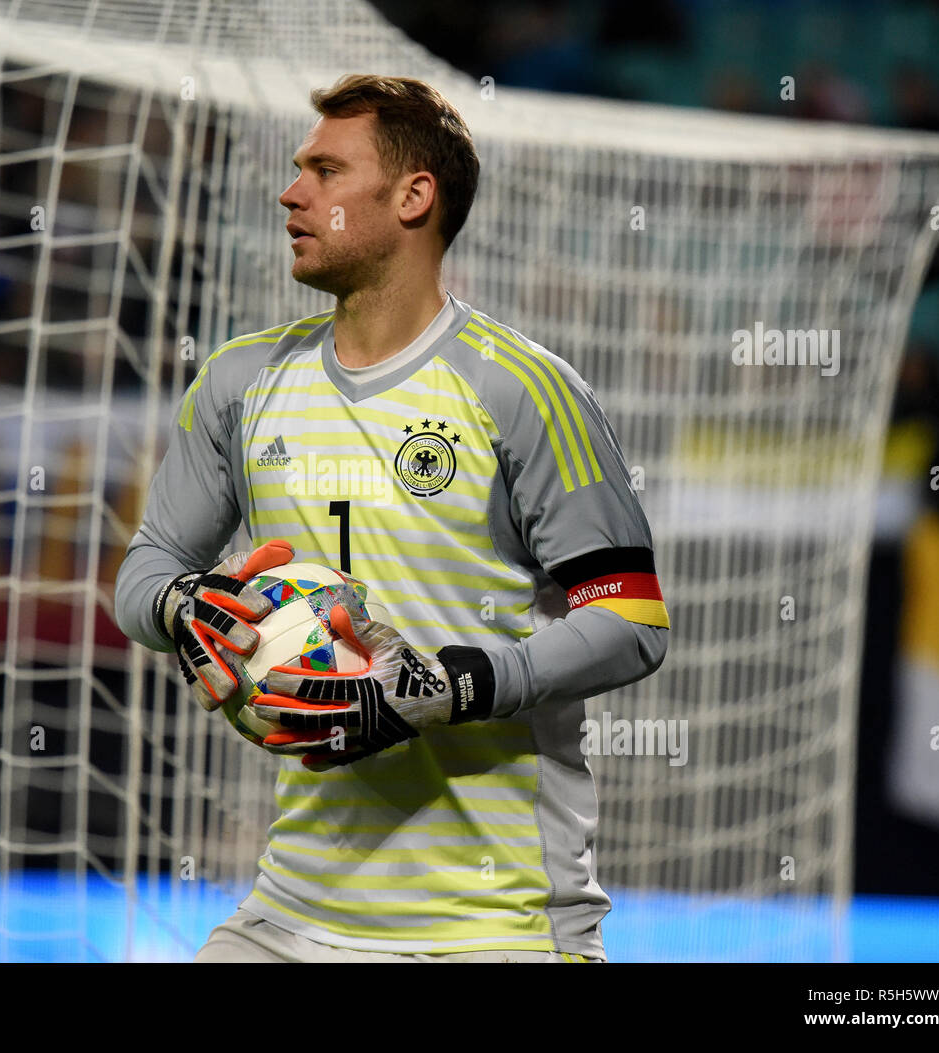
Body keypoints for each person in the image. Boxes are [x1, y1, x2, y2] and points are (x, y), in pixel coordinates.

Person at [115, 73, 669, 962]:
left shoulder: (522, 388)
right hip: (292, 909)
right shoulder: (240, 381)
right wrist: (189, 608)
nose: (292, 192)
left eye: (327, 171)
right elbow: (145, 569)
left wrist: (453, 686)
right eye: (299, 169)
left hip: (498, 925)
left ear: (415, 197)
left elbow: (633, 621)